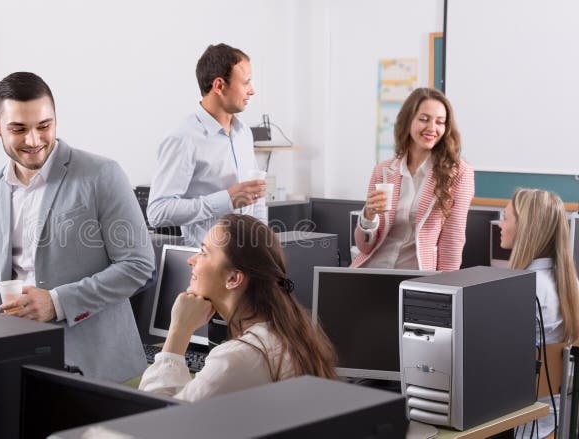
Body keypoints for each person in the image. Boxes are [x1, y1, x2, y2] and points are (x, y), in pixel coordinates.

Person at [0, 72, 154, 382]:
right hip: (20, 361)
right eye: (19, 129)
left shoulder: (102, 174)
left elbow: (138, 265)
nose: (34, 140)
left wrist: (57, 303)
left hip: (101, 366)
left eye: (44, 126)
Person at [139, 214, 338, 401]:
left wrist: (178, 332)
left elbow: (154, 423)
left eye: (204, 252)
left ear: (233, 279)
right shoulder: (290, 331)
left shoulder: (236, 359)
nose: (191, 260)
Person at [147, 43, 267, 248]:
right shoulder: (183, 138)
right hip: (208, 262)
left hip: (249, 257)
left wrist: (264, 245)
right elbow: (158, 213)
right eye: (246, 82)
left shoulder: (244, 133)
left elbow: (254, 199)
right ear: (219, 86)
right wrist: (226, 199)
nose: (252, 90)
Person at [351, 87, 475, 271]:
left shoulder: (459, 174)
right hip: (371, 270)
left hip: (415, 278)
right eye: (424, 119)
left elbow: (453, 241)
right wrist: (368, 216)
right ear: (408, 121)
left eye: (440, 122)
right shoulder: (384, 171)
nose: (432, 128)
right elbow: (364, 247)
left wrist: (444, 288)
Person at [500, 189, 579, 439]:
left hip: (522, 421)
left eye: (506, 218)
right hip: (555, 418)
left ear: (524, 228)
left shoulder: (523, 289)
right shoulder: (569, 284)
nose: (500, 225)